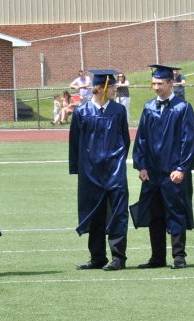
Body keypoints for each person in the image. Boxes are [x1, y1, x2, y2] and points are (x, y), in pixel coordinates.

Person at [130, 65, 194, 270]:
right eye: (154, 84)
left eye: (160, 83)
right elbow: (141, 138)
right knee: (155, 215)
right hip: (152, 172)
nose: (156, 87)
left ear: (171, 83)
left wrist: (182, 168)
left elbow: (189, 140)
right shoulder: (149, 107)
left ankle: (179, 256)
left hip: (172, 172)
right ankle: (157, 257)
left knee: (175, 212)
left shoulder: (182, 108)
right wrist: (141, 165)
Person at [69, 69, 131, 271]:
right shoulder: (81, 112)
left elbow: (125, 139)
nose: (114, 89)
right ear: (102, 88)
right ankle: (97, 256)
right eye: (112, 86)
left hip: (114, 171)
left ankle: (118, 257)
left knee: (118, 213)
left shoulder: (118, 111)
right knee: (94, 213)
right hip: (90, 172)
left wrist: (118, 162)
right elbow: (75, 143)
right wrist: (79, 169)